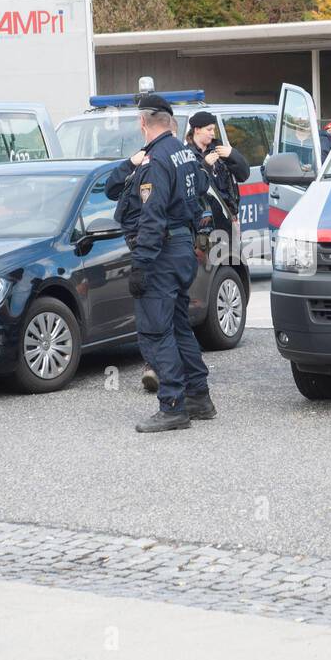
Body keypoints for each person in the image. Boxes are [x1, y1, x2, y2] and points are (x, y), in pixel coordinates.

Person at [123, 93, 213, 431]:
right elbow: (201, 190)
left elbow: (152, 217)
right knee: (178, 327)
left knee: (155, 332)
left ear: (143, 122)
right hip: (182, 249)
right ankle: (198, 397)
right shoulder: (185, 153)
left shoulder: (158, 159)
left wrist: (141, 264)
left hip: (161, 255)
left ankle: (173, 406)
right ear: (170, 123)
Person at [105, 136, 160, 393]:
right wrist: (129, 163)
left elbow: (153, 216)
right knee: (148, 309)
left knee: (154, 309)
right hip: (141, 246)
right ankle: (154, 366)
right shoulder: (139, 165)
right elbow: (110, 189)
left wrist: (142, 259)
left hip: (153, 247)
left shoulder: (161, 166)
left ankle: (159, 369)